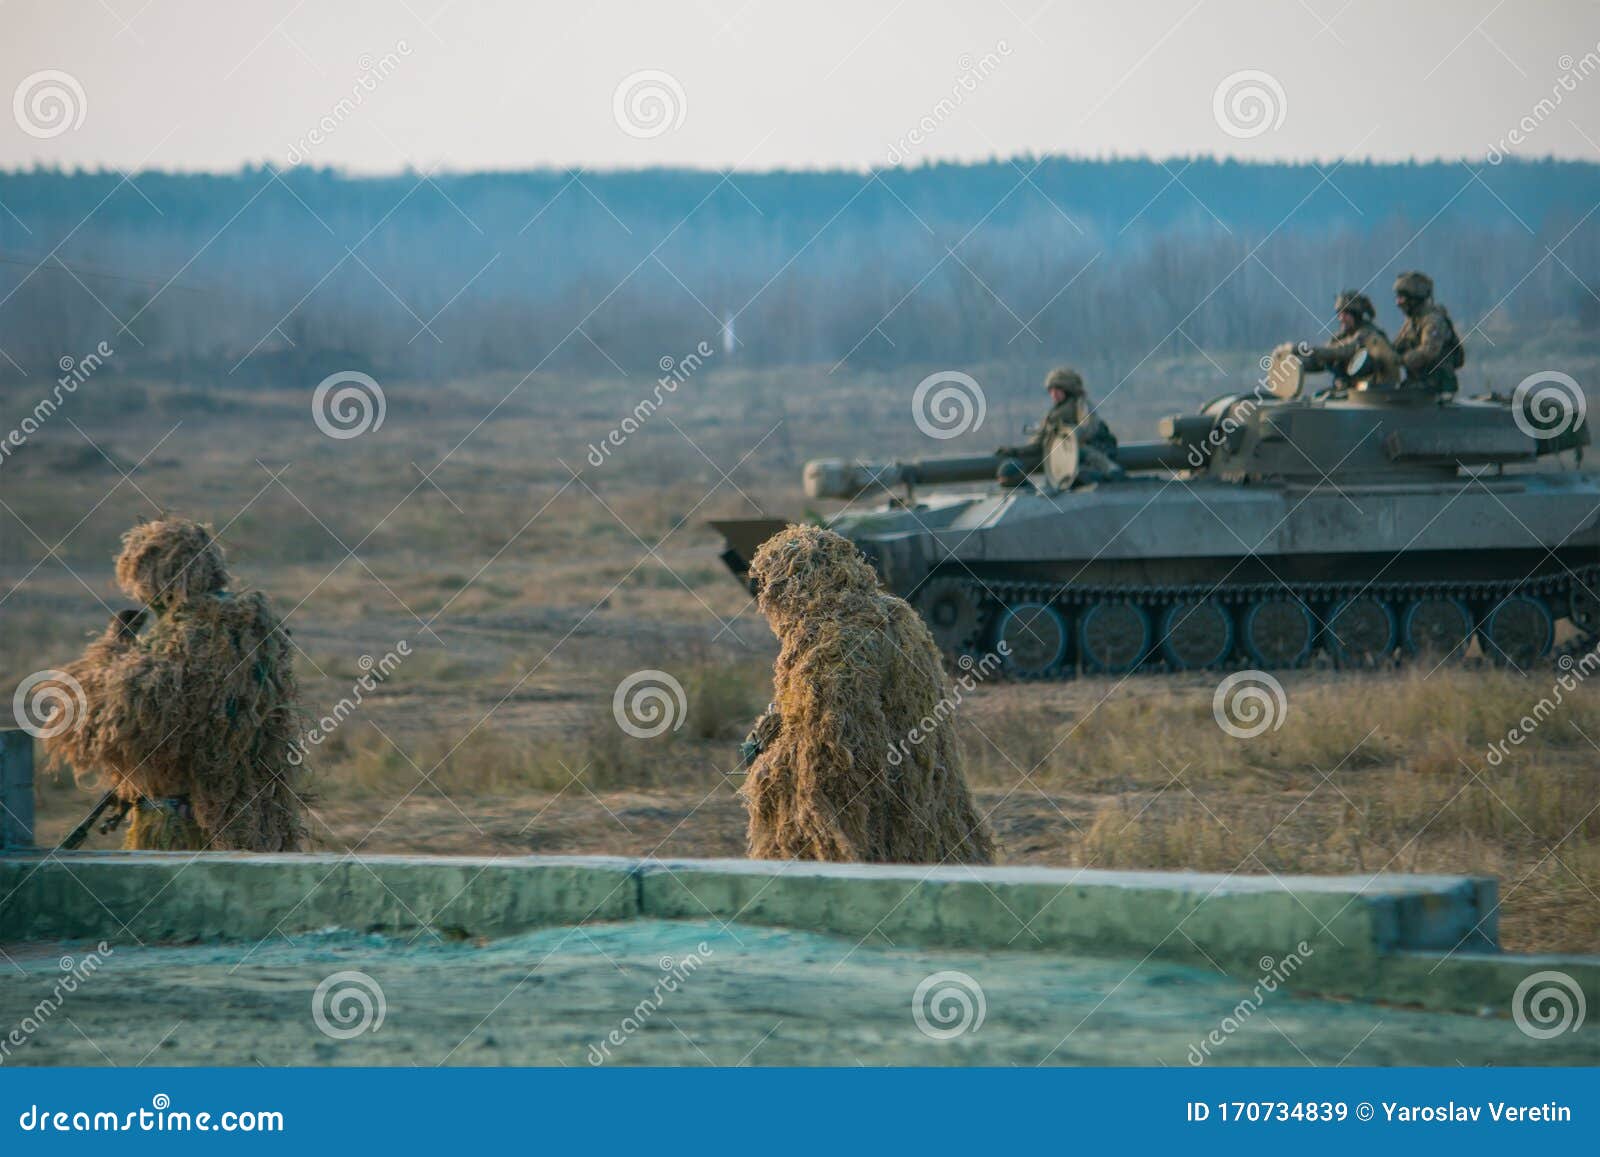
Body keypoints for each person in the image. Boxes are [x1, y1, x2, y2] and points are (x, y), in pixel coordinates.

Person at [42, 518, 308, 851]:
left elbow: (114, 718)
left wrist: (109, 654)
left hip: (184, 826)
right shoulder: (248, 633)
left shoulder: (190, 639)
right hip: (253, 816)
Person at [738, 525, 994, 865]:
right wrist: (773, 726)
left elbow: (831, 755)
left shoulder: (829, 644)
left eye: (773, 591)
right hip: (929, 804)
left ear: (791, 591)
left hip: (878, 830)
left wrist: (766, 764)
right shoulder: (897, 617)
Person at [999, 366, 1122, 479]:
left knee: (1084, 451)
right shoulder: (1052, 414)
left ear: (1067, 389)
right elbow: (1038, 443)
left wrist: (1067, 433)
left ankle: (1109, 469)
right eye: (1051, 391)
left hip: (1080, 450)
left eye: (1057, 390)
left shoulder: (1080, 405)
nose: (1054, 394)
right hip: (1056, 454)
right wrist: (1015, 451)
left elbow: (1089, 428)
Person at [1296, 290, 1400, 390]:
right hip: (1347, 390)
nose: (1341, 318)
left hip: (1374, 391)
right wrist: (1298, 363)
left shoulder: (1369, 334)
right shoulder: (1341, 336)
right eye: (1339, 314)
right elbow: (1322, 360)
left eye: (1345, 314)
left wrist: (1309, 350)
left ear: (1356, 315)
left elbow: (1345, 351)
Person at [1392, 271, 1465, 395]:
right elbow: (1397, 346)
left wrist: (1401, 359)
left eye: (1402, 298)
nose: (1398, 303)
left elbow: (1428, 351)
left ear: (1414, 299)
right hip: (1418, 384)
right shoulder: (1412, 321)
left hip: (1438, 387)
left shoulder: (1433, 321)